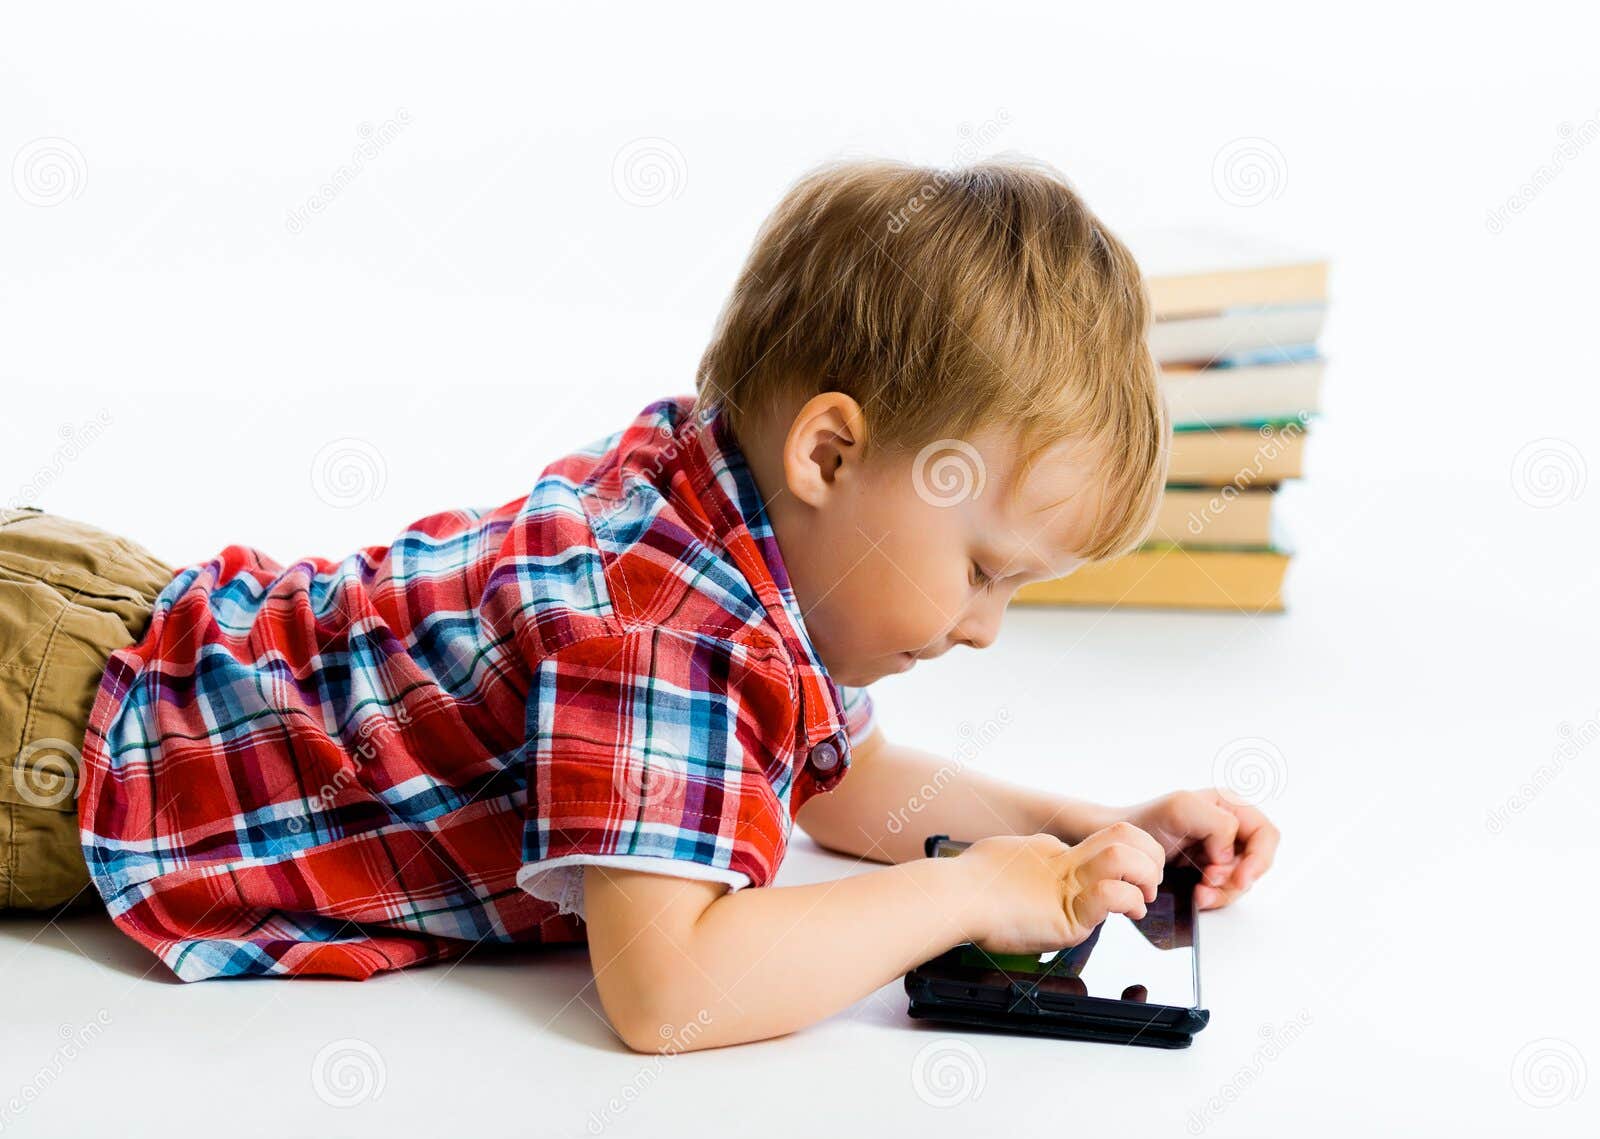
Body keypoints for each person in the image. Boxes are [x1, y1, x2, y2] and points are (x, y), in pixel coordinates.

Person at [0, 157, 1277, 1050]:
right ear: (829, 455)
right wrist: (977, 898)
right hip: (62, 747)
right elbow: (668, 990)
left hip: (114, 634)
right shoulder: (665, 627)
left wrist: (1088, 836)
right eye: (984, 568)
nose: (984, 625)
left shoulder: (742, 526)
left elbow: (835, 779)